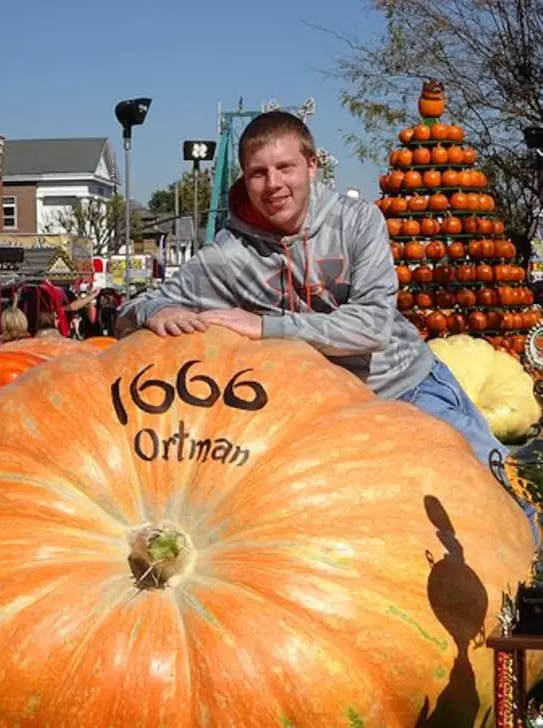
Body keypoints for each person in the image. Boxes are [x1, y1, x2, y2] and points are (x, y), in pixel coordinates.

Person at [116, 109, 539, 543]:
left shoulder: (357, 221)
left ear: (312, 165)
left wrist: (267, 327)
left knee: (499, 499)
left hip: (405, 386)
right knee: (390, 539)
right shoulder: (228, 258)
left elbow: (373, 325)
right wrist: (154, 312)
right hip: (326, 414)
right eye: (258, 173)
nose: (274, 184)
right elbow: (135, 307)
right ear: (244, 177)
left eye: (286, 167)